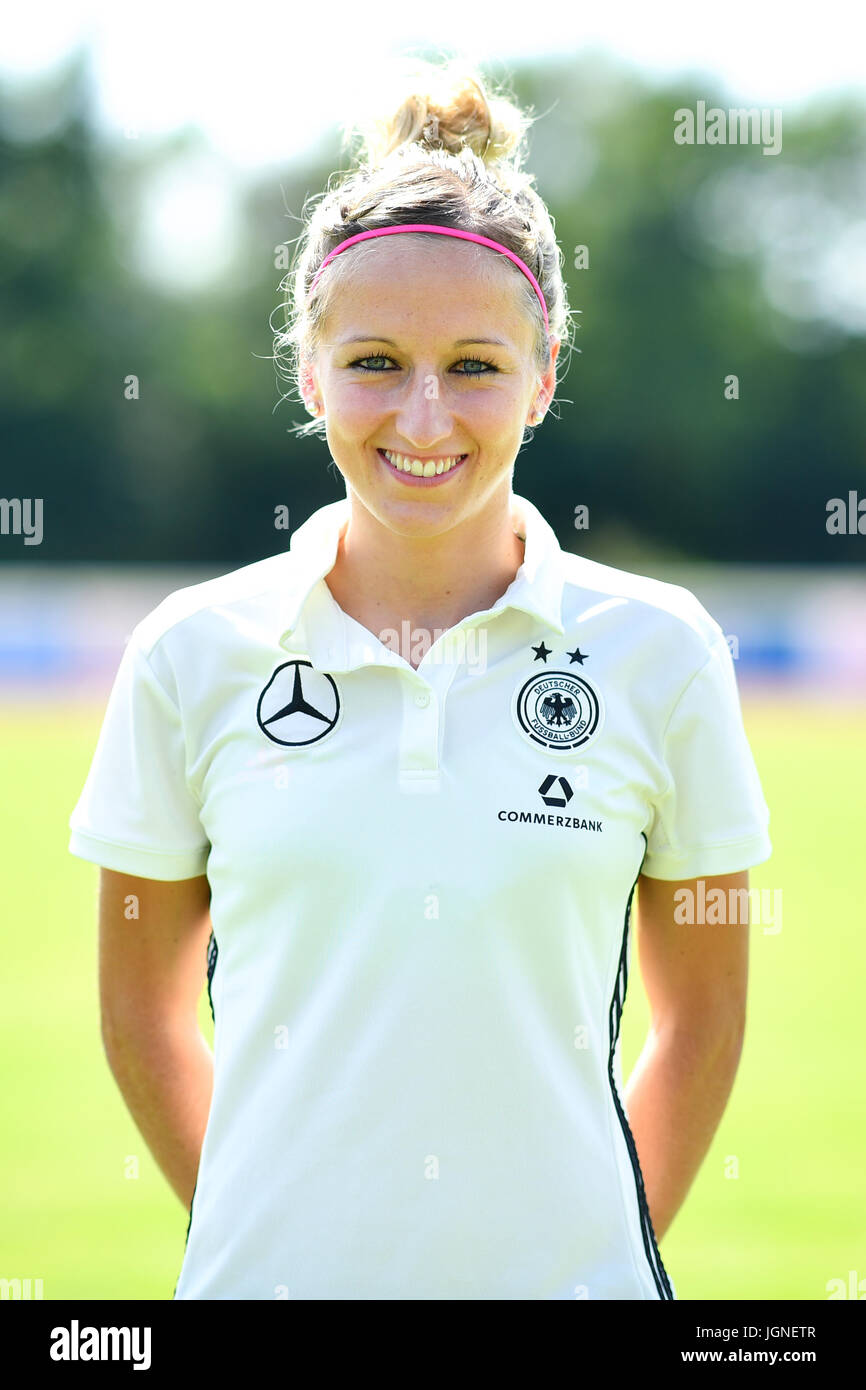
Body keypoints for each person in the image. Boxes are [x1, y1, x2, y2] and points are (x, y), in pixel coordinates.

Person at [68, 58, 772, 1300]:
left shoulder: (660, 651)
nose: (425, 415)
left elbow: (703, 1018)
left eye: (477, 366)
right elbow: (141, 1013)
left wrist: (594, 1263)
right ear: (310, 371)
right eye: (377, 361)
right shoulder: (190, 651)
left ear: (544, 373)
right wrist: (262, 1241)